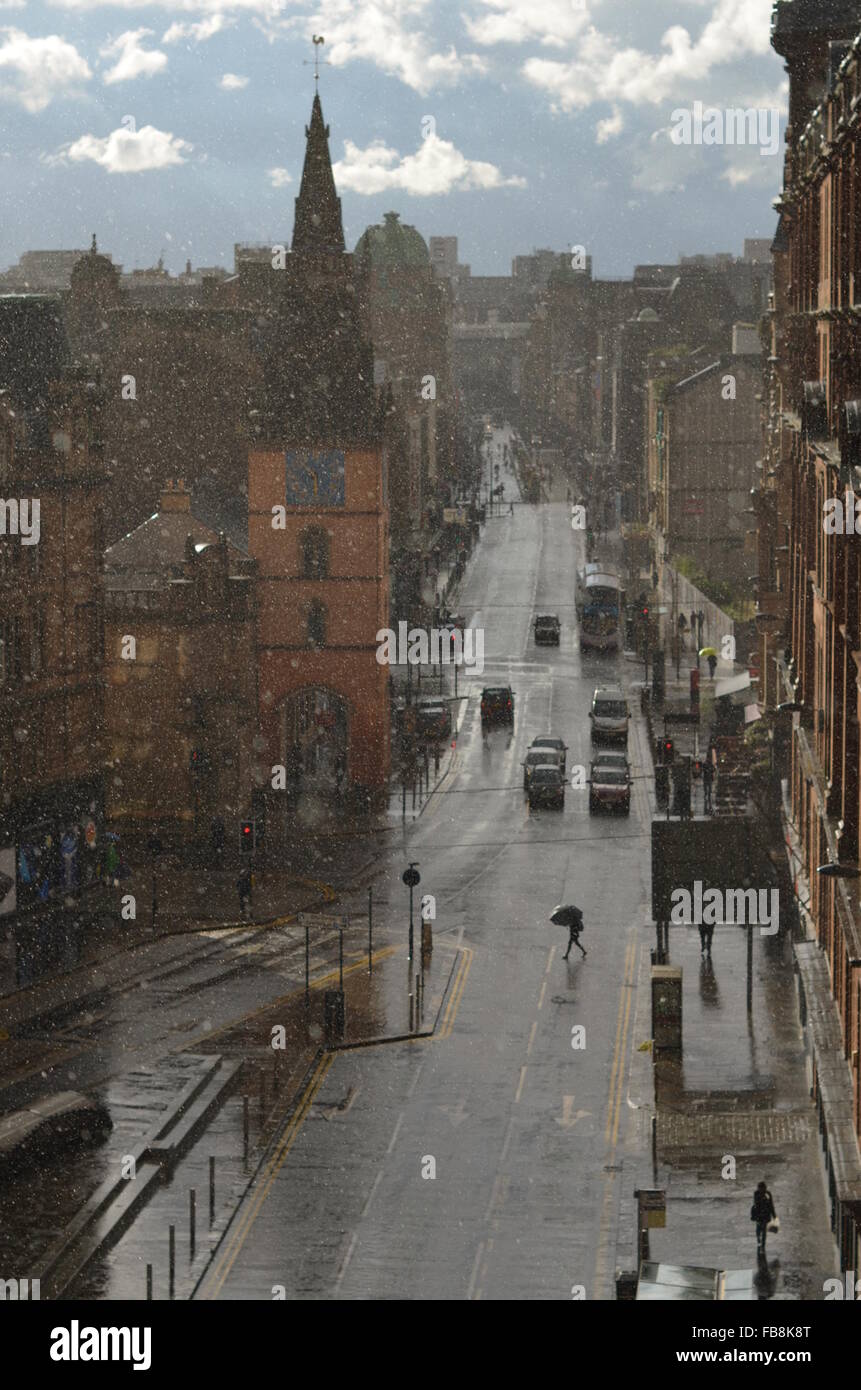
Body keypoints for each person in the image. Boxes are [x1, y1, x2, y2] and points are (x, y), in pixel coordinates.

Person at [751, 1181, 777, 1254]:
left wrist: (774, 1215)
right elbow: (756, 1203)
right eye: (760, 1188)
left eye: (763, 1188)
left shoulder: (767, 1194)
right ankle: (759, 1241)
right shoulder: (756, 1193)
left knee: (764, 1230)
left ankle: (762, 1244)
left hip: (765, 1214)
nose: (761, 1190)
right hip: (759, 1214)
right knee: (758, 1229)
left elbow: (770, 1204)